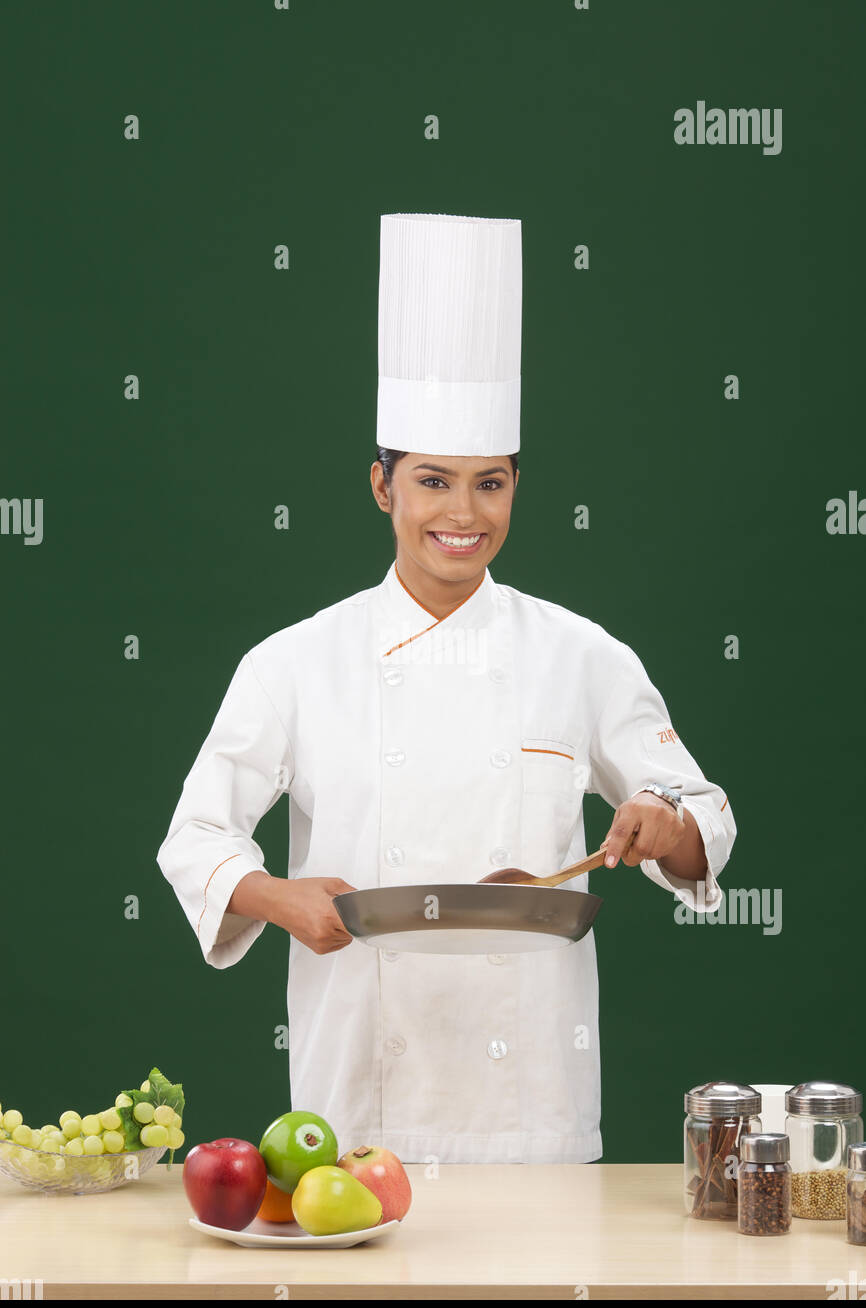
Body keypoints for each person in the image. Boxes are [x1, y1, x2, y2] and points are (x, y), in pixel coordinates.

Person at [157, 213, 734, 1163]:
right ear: (382, 488)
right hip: (358, 1095)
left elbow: (701, 813)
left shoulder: (579, 654)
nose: (462, 515)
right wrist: (277, 896)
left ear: (515, 488)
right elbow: (196, 837)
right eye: (432, 481)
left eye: (490, 484)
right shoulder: (296, 661)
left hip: (533, 1103)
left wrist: (665, 827)